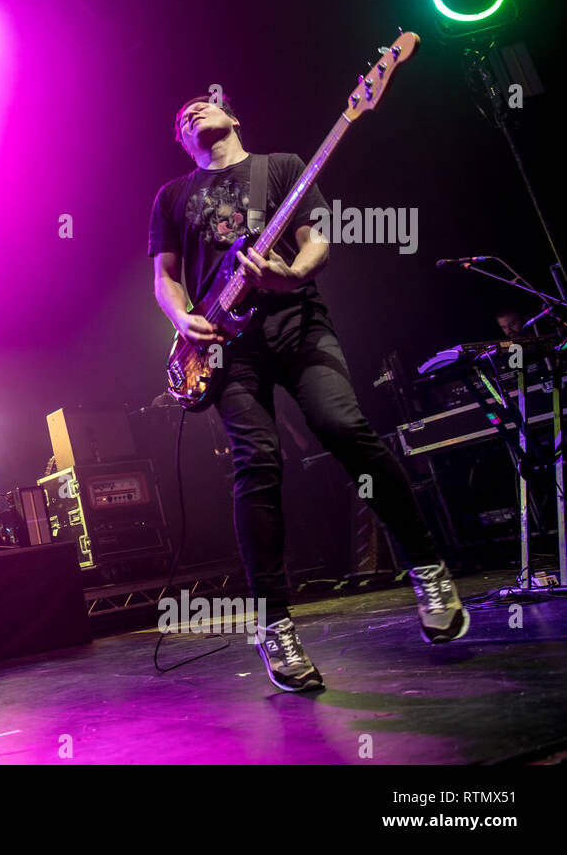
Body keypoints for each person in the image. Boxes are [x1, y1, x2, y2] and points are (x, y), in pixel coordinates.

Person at [148, 95, 469, 693]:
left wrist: (292, 273)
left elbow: (315, 237)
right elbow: (165, 275)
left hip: (297, 323)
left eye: (202, 105)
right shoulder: (172, 195)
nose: (190, 112)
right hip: (224, 348)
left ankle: (428, 568)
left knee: (343, 426)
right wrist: (181, 316)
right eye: (180, 116)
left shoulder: (283, 166)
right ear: (180, 140)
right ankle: (275, 627)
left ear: (235, 116)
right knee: (258, 463)